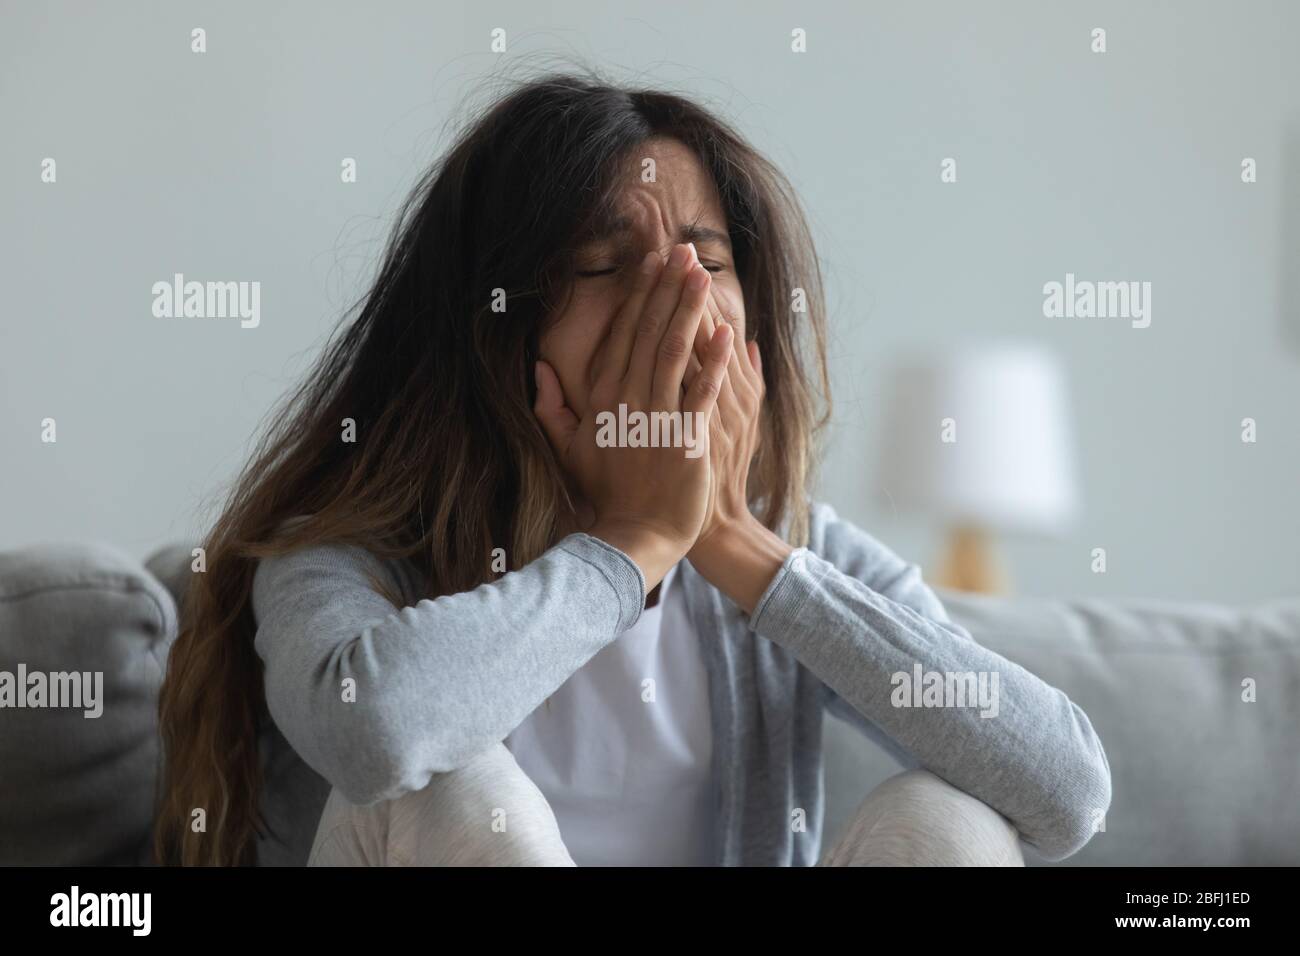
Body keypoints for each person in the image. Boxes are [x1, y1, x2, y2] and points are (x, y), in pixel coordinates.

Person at [155, 73, 1110, 867]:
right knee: (459, 786)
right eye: (608, 266)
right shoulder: (351, 556)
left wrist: (735, 545)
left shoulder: (807, 555)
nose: (681, 296)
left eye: (708, 259)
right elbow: (377, 732)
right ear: (499, 329)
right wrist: (635, 542)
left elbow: (1065, 792)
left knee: (951, 821)